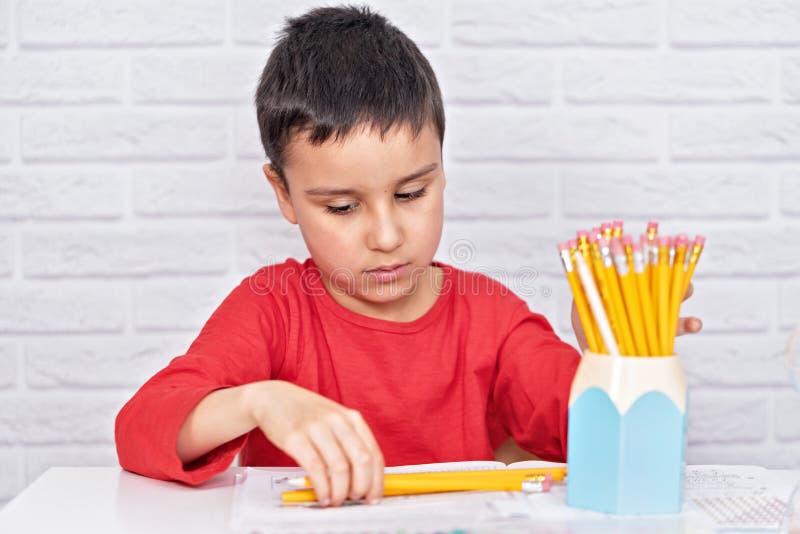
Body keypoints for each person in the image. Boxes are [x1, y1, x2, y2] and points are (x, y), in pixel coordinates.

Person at [115, 5, 703, 508]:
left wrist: (609, 356)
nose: (388, 236)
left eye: (412, 193)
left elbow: (599, 446)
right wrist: (258, 400)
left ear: (443, 169)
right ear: (284, 195)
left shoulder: (491, 319)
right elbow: (140, 429)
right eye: (343, 207)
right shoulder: (272, 310)